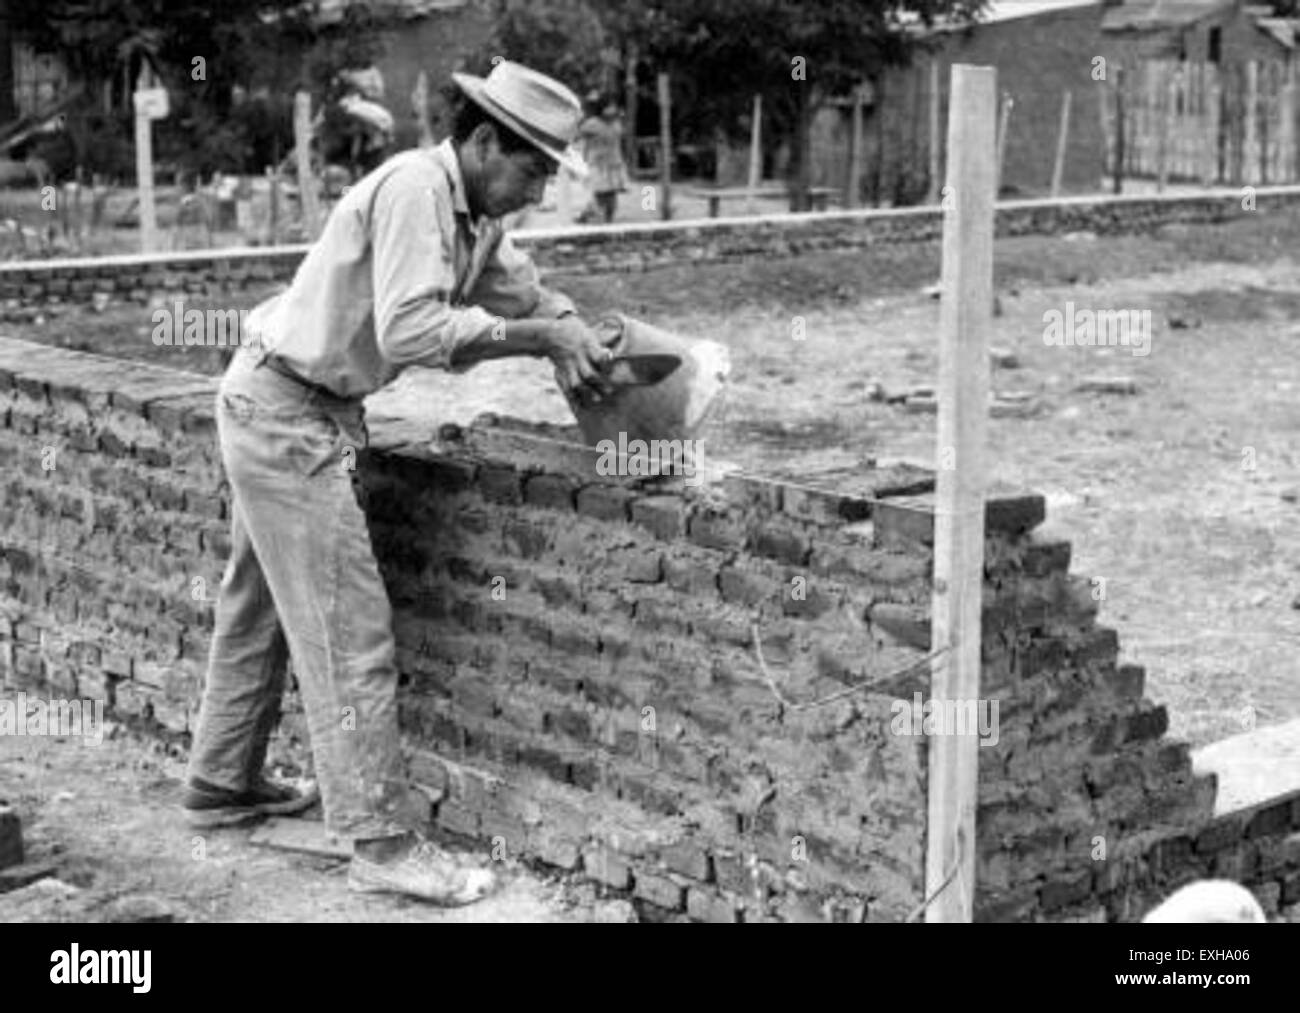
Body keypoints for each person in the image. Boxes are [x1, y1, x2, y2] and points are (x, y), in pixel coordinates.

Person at [180, 60, 615, 907]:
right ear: (486, 142)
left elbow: (526, 294)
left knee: (259, 610)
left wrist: (577, 334)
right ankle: (379, 841)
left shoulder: (477, 215)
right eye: (531, 170)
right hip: (286, 414)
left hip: (292, 405)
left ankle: (219, 783)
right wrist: (534, 341)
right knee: (352, 634)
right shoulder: (417, 187)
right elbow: (412, 328)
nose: (535, 191)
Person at [576, 95, 628, 224]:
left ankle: (606, 219)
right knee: (601, 193)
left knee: (611, 193)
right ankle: (596, 217)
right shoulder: (592, 124)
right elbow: (577, 135)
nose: (612, 109)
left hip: (614, 163)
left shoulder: (616, 123)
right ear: (602, 108)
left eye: (613, 106)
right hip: (598, 164)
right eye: (609, 106)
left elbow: (619, 139)